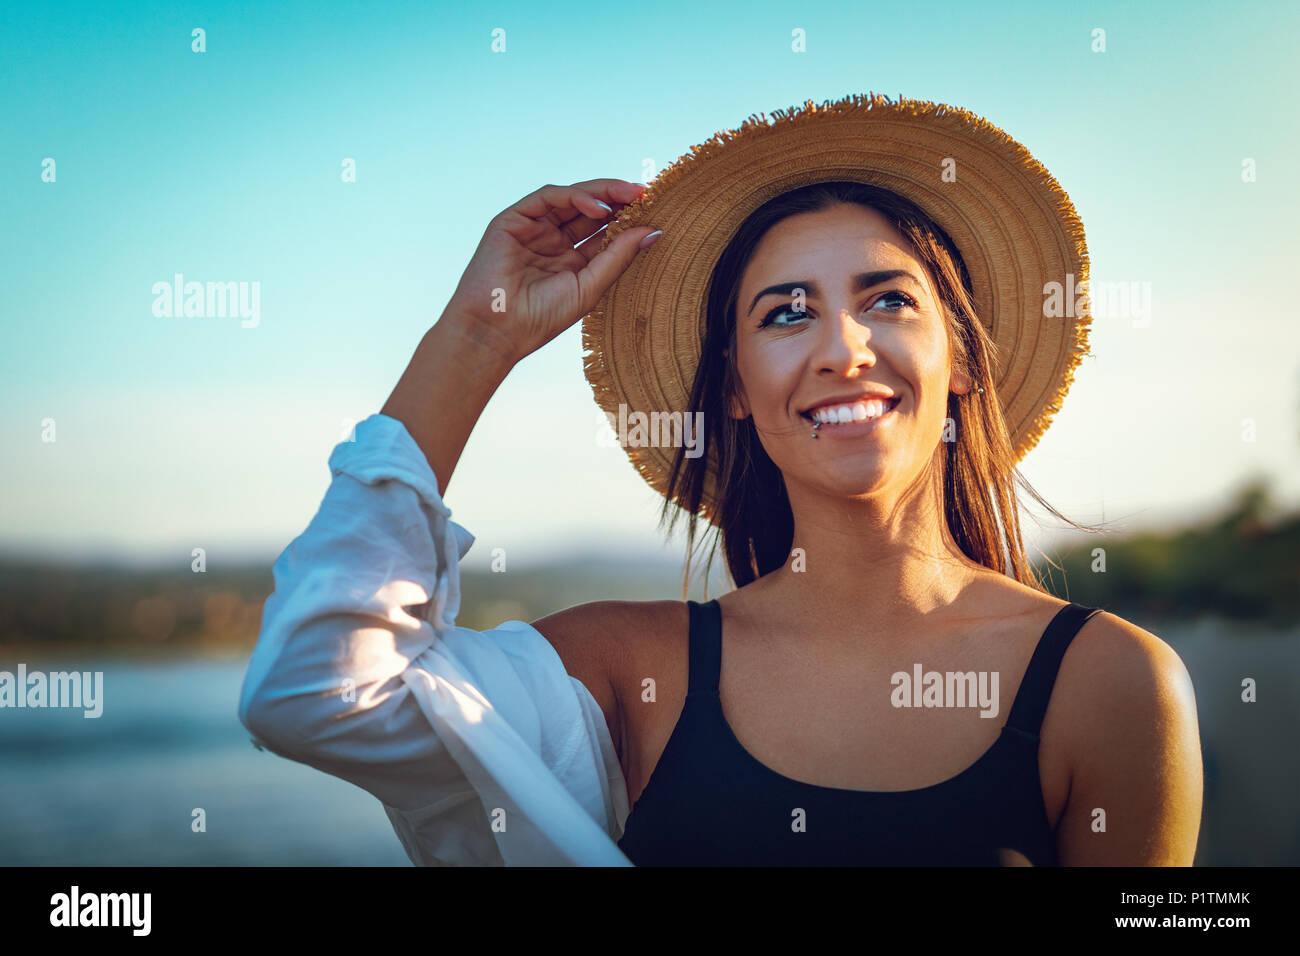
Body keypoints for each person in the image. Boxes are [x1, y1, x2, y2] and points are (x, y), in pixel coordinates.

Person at [238, 94, 1203, 866]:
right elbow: (313, 689)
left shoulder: (1110, 683)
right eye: (786, 314)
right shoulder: (630, 669)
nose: (842, 348)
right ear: (737, 390)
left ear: (961, 360)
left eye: (888, 300)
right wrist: (477, 337)